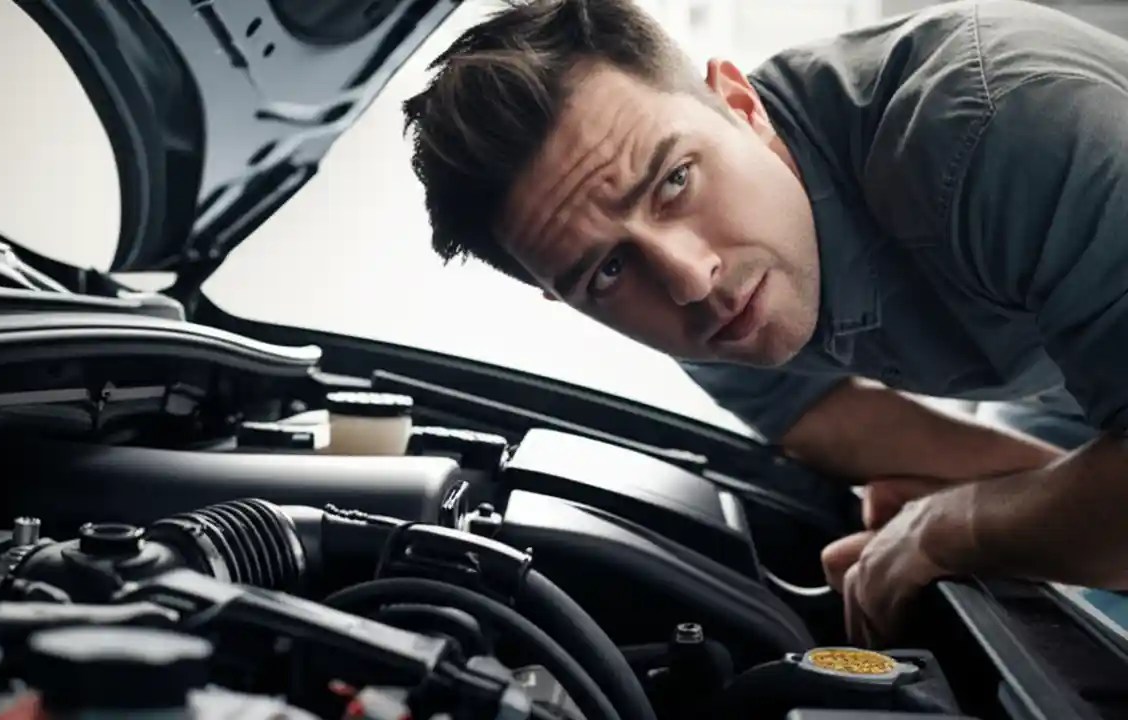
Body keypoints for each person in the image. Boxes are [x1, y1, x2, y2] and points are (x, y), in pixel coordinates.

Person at [399, 0, 1128, 647]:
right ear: (562, 297)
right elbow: (810, 412)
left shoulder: (1002, 132)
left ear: (740, 103)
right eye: (607, 270)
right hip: (1062, 366)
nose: (691, 279)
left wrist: (954, 528)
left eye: (675, 181)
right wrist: (1034, 499)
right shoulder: (691, 284)